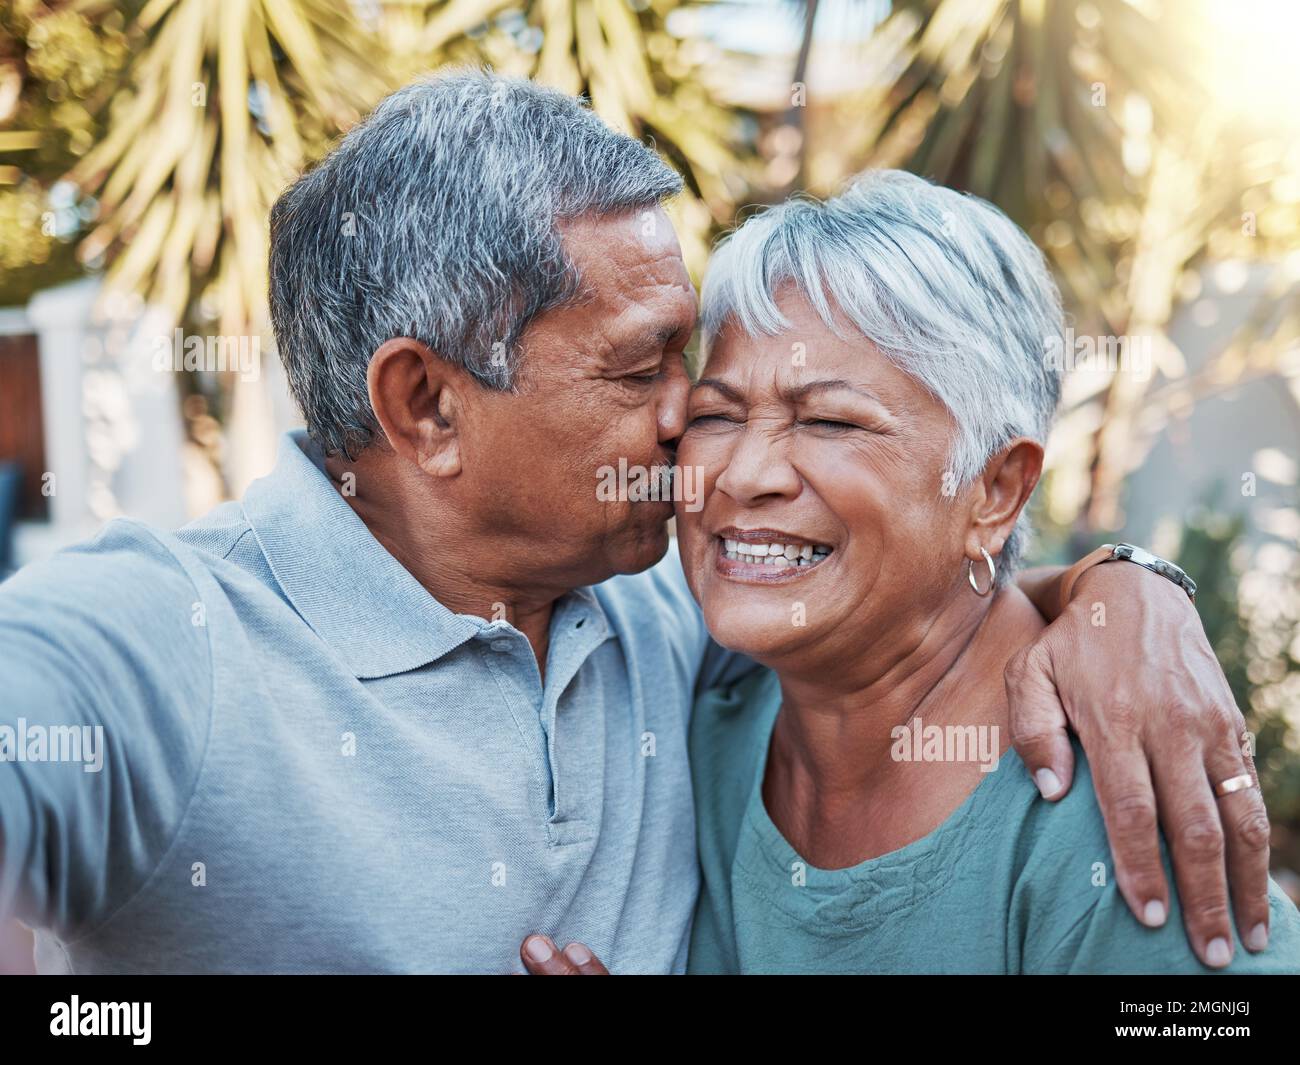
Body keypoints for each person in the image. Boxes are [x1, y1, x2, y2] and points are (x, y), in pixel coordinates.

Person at [0, 73, 1269, 974]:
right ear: (426, 404)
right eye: (644, 374)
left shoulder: (667, 617)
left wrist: (1128, 589)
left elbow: (908, 583)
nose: (699, 442)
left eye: (700, 377)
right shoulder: (161, 644)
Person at [672, 171, 1298, 972]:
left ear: (996, 491)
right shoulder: (697, 731)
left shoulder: (1112, 805)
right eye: (716, 414)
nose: (742, 472)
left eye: (829, 419)